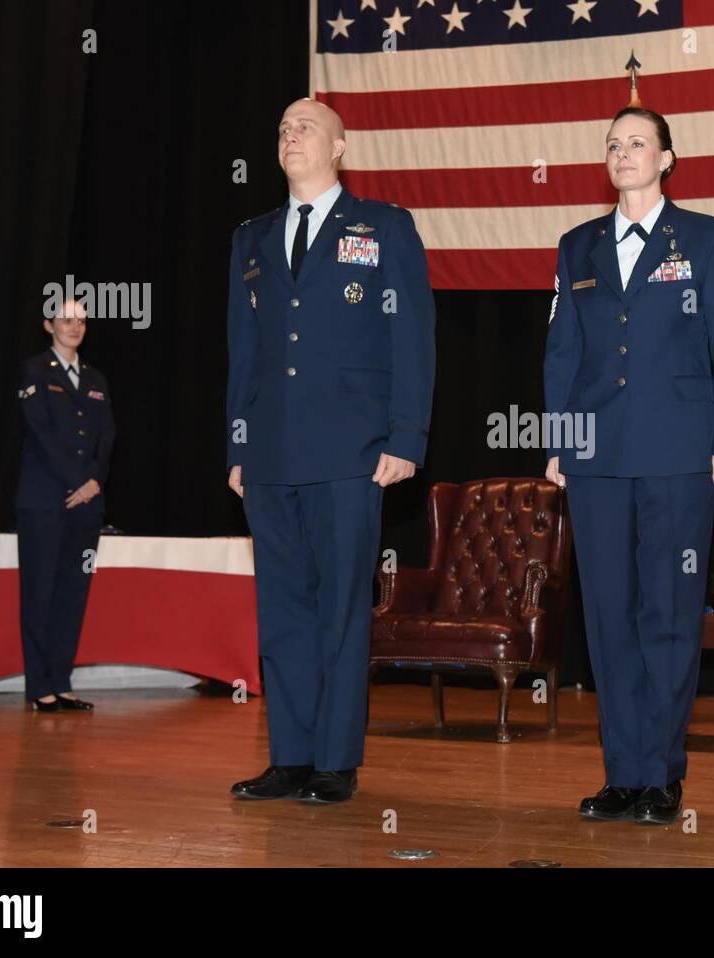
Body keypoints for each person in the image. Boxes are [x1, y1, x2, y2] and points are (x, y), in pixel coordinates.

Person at [544, 106, 714, 824]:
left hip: (679, 452)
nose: (623, 153)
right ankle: (623, 775)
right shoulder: (577, 248)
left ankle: (662, 775)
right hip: (596, 457)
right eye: (613, 144)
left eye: (637, 143)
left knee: (666, 615)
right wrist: (561, 442)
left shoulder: (709, 240)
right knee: (606, 618)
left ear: (666, 159)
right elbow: (563, 354)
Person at [226, 98, 435, 805]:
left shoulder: (383, 227)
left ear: (340, 145)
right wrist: (238, 442)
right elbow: (243, 354)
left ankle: (335, 761)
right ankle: (289, 755)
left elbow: (412, 337)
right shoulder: (251, 239)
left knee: (343, 608)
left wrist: (407, 436)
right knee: (283, 608)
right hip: (272, 453)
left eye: (305, 126)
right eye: (282, 127)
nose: (290, 135)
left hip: (352, 449)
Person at [15, 297, 115, 713]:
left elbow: (107, 436)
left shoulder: (95, 378)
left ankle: (61, 680)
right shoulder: (34, 370)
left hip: (87, 504)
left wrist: (95, 482)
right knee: (40, 592)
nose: (74, 326)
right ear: (48, 324)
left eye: (81, 321)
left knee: (73, 593)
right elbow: (41, 433)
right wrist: (79, 481)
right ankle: (40, 686)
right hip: (44, 501)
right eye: (65, 319)